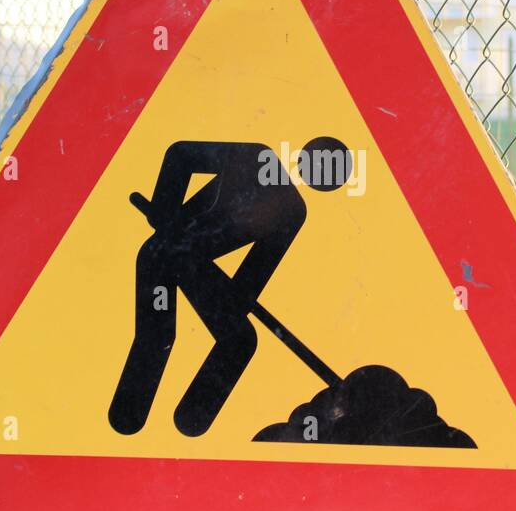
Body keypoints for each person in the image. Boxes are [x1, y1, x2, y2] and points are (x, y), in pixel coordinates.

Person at [109, 137, 351, 437]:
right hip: (162, 252)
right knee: (157, 335)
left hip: (197, 266)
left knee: (239, 339)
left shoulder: (293, 211)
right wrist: (164, 206)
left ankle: (191, 420)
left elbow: (255, 272)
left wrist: (234, 300)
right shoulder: (254, 157)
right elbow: (180, 155)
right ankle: (128, 414)